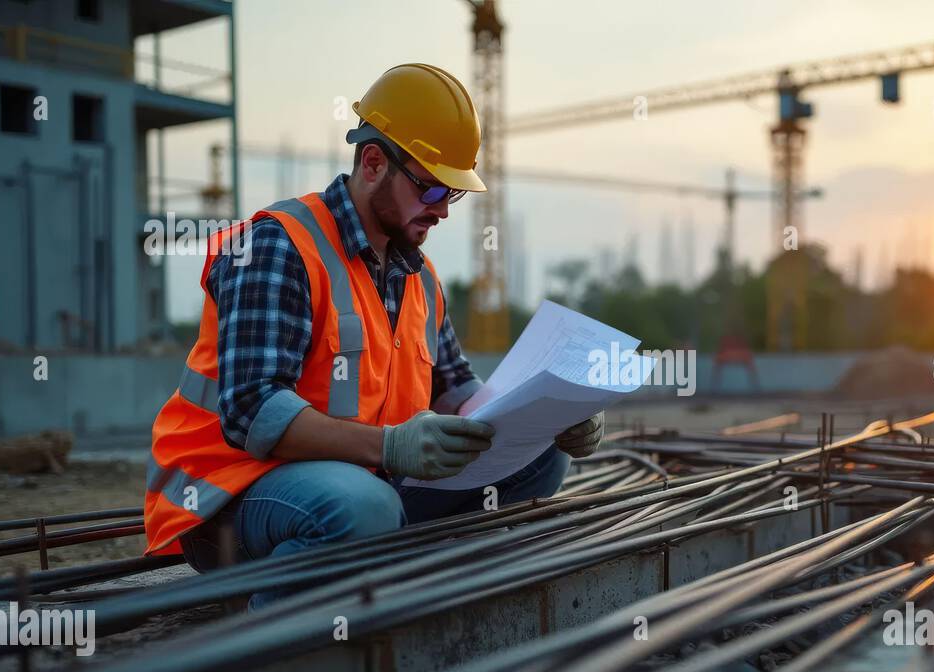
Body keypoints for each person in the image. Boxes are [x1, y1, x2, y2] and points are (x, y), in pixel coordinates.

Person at [142, 64, 603, 608]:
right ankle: (269, 638)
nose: (440, 209)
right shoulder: (280, 247)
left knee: (543, 460)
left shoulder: (419, 277)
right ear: (373, 162)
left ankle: (390, 581)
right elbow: (252, 410)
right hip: (229, 498)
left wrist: (550, 413)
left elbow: (455, 388)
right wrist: (390, 447)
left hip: (362, 484)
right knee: (364, 509)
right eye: (430, 186)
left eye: (452, 194)